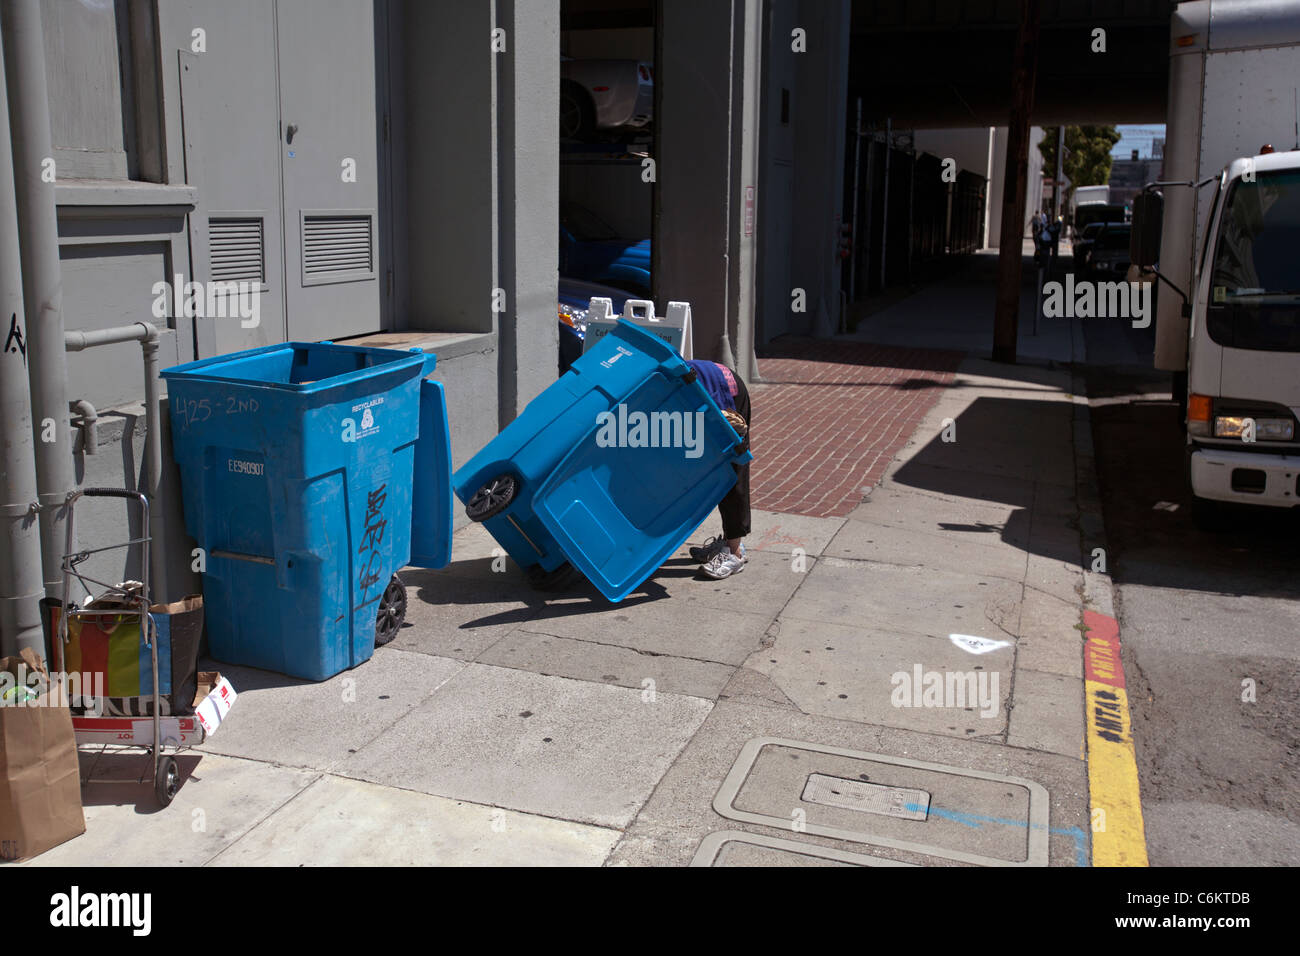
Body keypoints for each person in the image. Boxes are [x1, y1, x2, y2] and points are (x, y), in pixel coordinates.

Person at [685, 359, 751, 580]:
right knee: (712, 471)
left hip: (727, 394)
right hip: (708, 389)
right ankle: (728, 542)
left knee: (731, 470)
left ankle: (735, 553)